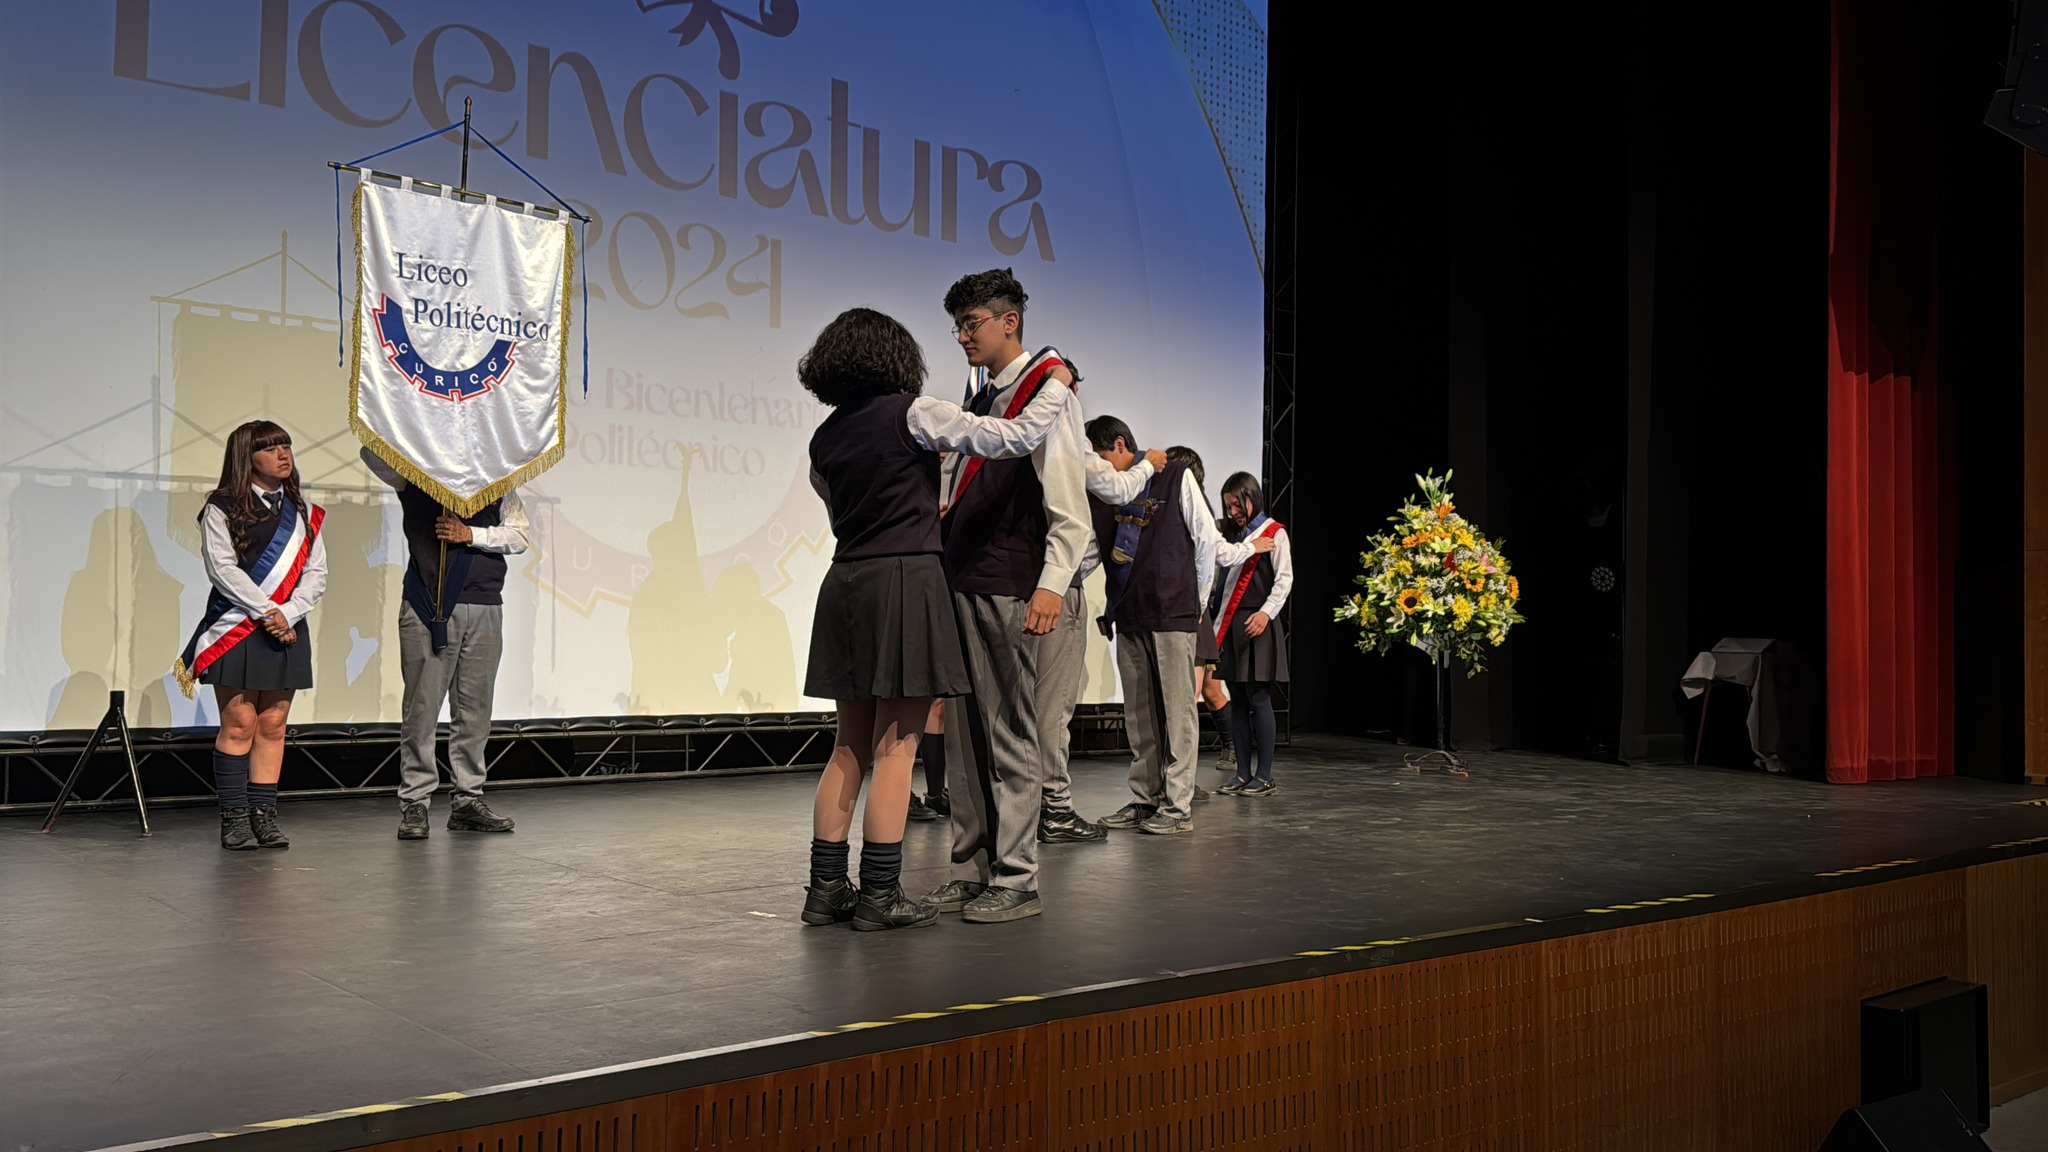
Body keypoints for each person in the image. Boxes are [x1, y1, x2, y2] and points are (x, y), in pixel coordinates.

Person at [797, 306, 1076, 930]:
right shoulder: (915, 412)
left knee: (849, 745)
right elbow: (1014, 437)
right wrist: (1056, 384)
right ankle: (879, 894)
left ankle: (825, 891)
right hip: (906, 580)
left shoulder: (825, 437)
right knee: (899, 745)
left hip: (845, 582)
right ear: (894, 357)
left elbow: (835, 503)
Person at [921, 268, 1089, 924]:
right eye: (958, 326)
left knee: (1011, 733)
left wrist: (1050, 585)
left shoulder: (1048, 394)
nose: (962, 335)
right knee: (964, 739)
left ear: (1008, 321)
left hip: (1010, 584)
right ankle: (974, 867)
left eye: (972, 323)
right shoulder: (986, 399)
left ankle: (1016, 879)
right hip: (964, 581)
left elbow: (1069, 506)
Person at [1088, 419, 1270, 834]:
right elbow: (1095, 549)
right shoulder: (1105, 491)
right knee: (1138, 714)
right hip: (1129, 611)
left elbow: (1206, 541)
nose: (1097, 469)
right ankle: (1144, 798)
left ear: (1119, 446)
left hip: (1172, 611)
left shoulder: (1175, 477)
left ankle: (1178, 806)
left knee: (1177, 710)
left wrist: (1198, 603)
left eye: (1100, 459)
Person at [360, 446, 529, 839]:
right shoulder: (416, 476)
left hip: (485, 604)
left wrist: (471, 534)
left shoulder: (497, 484)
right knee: (422, 708)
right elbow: (372, 453)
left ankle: (468, 799)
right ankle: (415, 803)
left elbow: (519, 536)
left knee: (475, 710)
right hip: (429, 606)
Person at [176, 420, 327, 851]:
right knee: (240, 722)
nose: (283, 453)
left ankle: (264, 816)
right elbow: (222, 569)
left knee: (274, 724)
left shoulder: (305, 513)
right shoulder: (222, 507)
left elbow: (316, 574)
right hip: (239, 624)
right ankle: (235, 819)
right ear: (247, 457)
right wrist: (267, 612)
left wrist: (290, 613)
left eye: (285, 445)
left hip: (286, 627)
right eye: (270, 447)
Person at [1031, 442, 1165, 845]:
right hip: (1055, 588)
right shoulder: (1063, 441)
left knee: (1021, 706)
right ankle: (1054, 809)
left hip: (1015, 586)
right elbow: (1117, 486)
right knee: (1052, 708)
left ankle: (1021, 806)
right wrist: (1146, 466)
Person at [1213, 472, 1292, 796]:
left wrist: (1265, 613)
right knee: (1238, 699)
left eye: (1236, 504)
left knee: (1259, 698)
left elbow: (1284, 579)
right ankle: (1242, 773)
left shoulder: (1274, 532)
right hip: (1232, 623)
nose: (1232, 512)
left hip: (1259, 620)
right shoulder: (1232, 537)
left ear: (1251, 497)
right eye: (1228, 506)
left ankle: (1265, 775)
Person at [1165, 445, 1236, 784]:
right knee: (1200, 690)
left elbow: (1213, 552)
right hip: (1182, 609)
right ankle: (1182, 773)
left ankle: (1227, 748)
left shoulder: (1198, 507)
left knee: (1202, 690)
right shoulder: (1167, 506)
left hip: (1194, 610)